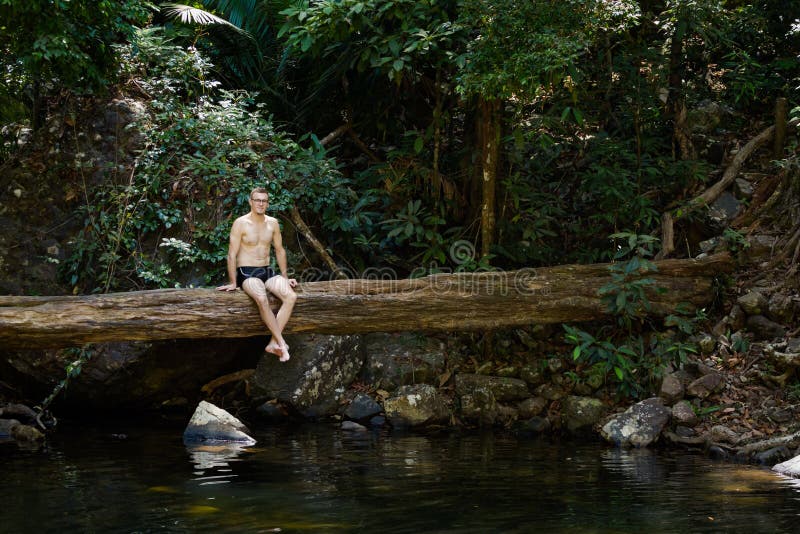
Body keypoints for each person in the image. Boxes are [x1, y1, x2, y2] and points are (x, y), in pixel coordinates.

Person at [216, 187, 297, 361]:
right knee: (261, 298)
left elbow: (280, 250)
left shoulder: (273, 223)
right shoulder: (241, 223)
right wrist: (233, 282)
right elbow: (231, 254)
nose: (260, 203)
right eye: (257, 200)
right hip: (247, 272)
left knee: (291, 297)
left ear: (267, 203)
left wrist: (284, 276)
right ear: (250, 201)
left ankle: (273, 343)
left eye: (264, 200)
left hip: (267, 270)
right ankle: (281, 343)